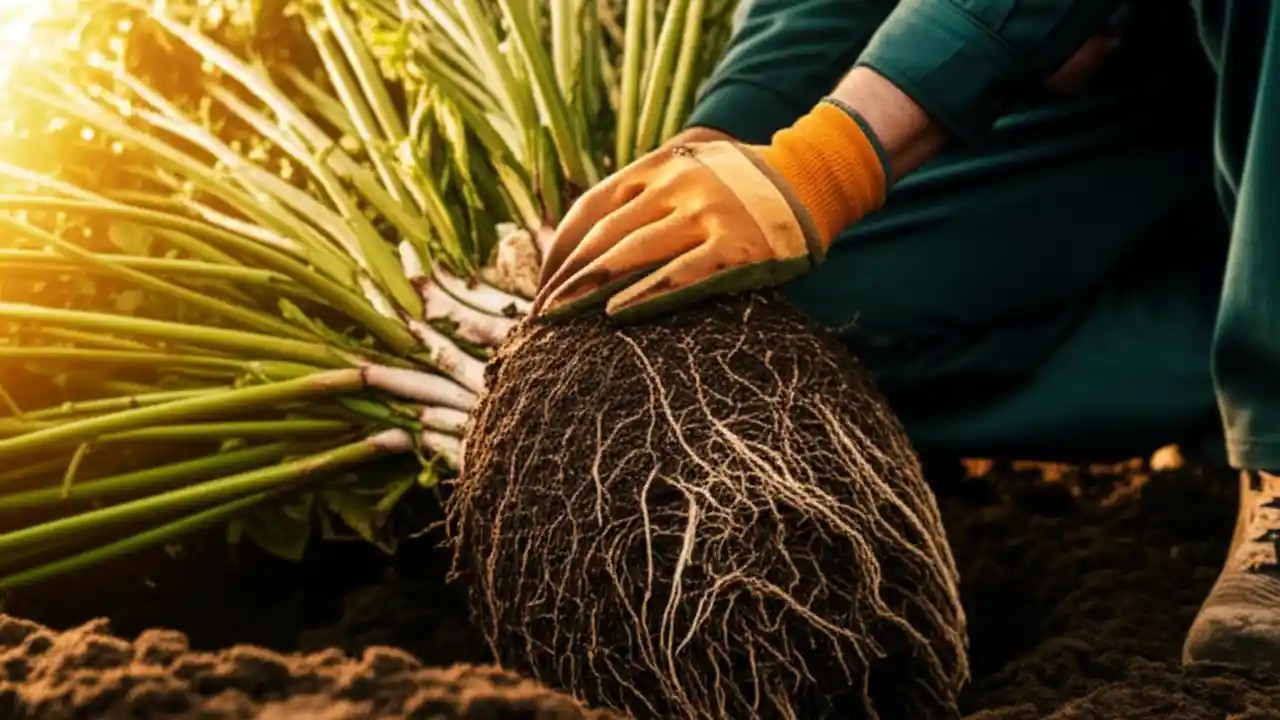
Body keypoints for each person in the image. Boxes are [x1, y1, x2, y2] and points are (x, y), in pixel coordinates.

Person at [533, 1, 1280, 670]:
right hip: (1130, 106)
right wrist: (714, 141)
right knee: (805, 313)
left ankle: (1274, 434)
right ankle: (1234, 339)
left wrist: (827, 162)